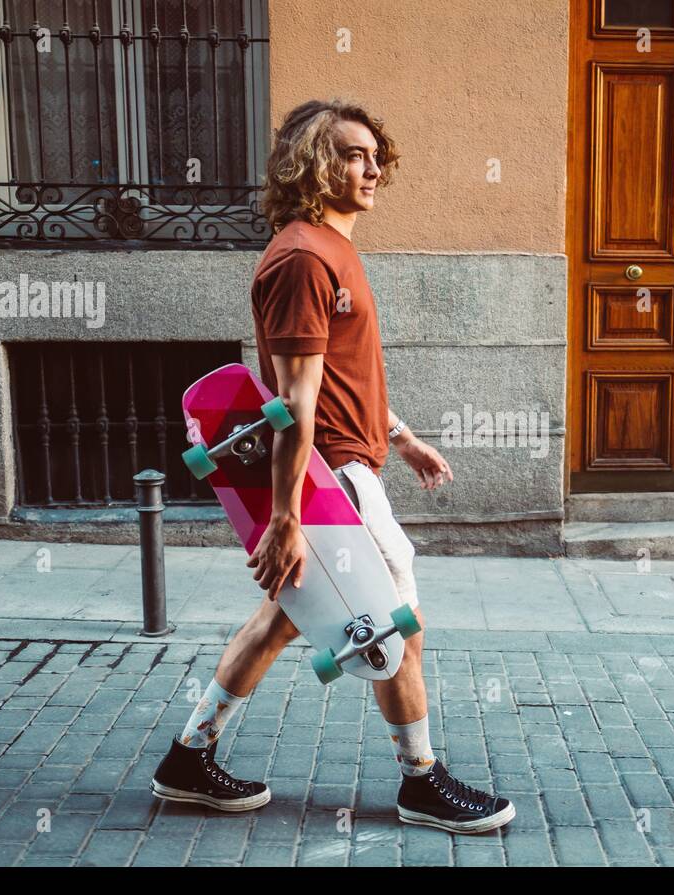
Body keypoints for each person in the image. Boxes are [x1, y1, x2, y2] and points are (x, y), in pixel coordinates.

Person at [151, 99, 515, 834]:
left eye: (376, 154)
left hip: (350, 465)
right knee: (396, 625)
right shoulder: (302, 259)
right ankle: (421, 780)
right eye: (353, 153)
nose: (372, 166)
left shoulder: (330, 250)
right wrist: (286, 521)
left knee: (286, 620)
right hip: (331, 481)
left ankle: (188, 759)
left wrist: (401, 435)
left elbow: (344, 376)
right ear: (312, 163)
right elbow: (291, 406)